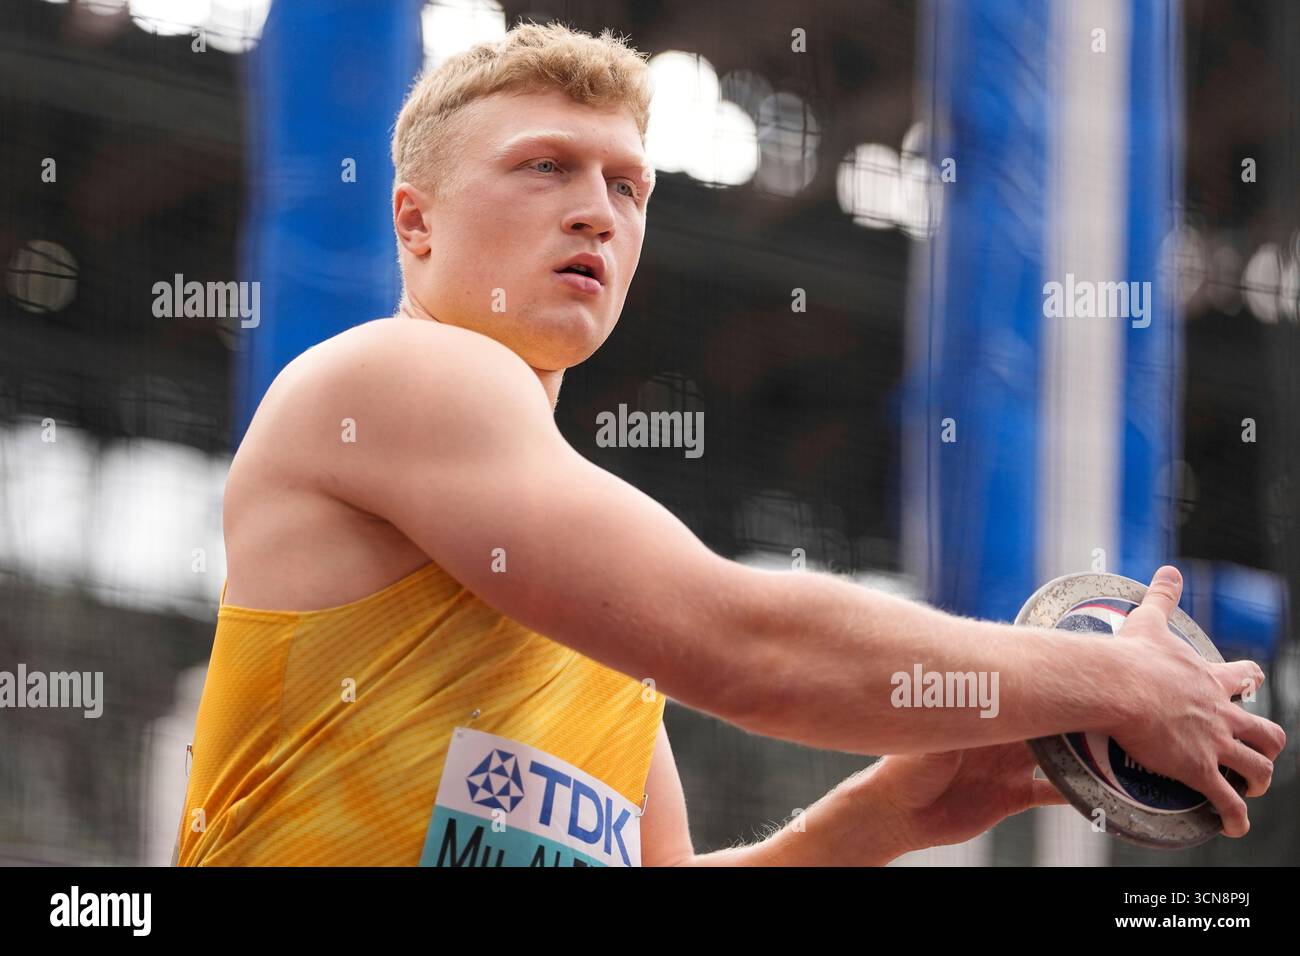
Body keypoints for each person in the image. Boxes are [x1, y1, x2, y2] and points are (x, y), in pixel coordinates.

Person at [175, 21, 1284, 867]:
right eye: (544, 166)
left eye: (626, 184)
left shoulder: (575, 591)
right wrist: (1107, 676)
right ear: (414, 221)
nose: (597, 212)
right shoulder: (399, 373)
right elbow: (739, 642)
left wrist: (873, 819)